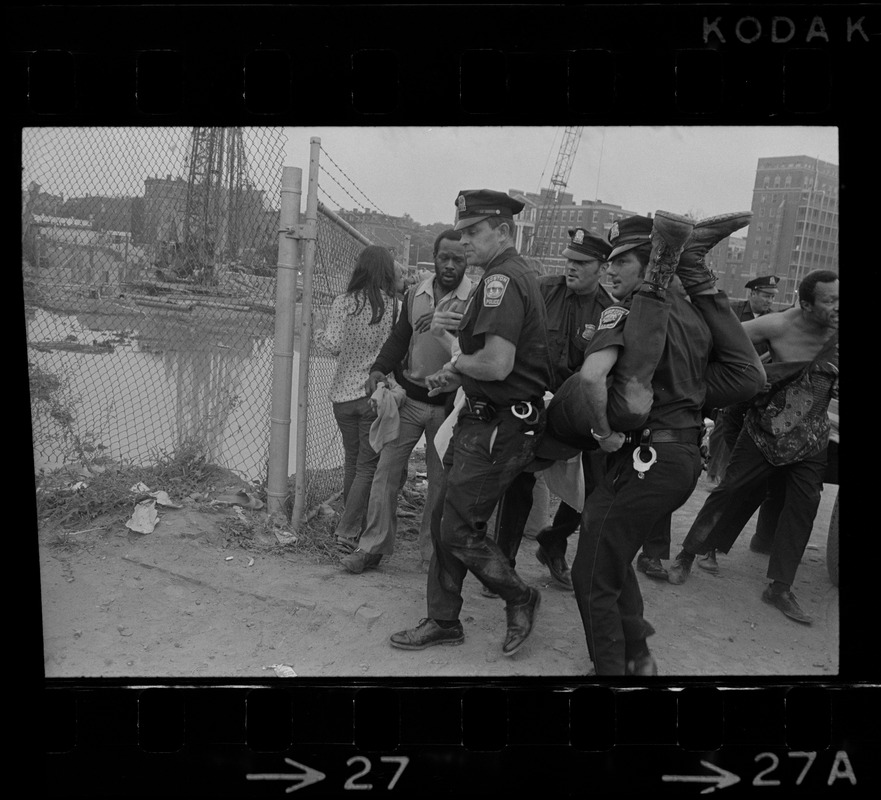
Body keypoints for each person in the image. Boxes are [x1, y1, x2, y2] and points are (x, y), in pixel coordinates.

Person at [556, 210, 765, 675]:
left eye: (622, 261)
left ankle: (614, 673)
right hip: (679, 455)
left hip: (646, 457)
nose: (610, 269)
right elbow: (749, 378)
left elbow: (596, 380)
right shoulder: (691, 316)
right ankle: (637, 655)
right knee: (610, 555)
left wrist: (606, 433)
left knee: (590, 573)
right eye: (609, 261)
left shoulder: (627, 310)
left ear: (651, 264)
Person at [389, 189, 550, 656]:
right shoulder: (499, 277)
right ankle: (443, 620)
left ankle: (519, 596)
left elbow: (498, 364)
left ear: (503, 231)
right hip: (480, 419)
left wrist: (457, 363)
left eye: (475, 233)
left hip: (499, 426)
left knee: (458, 529)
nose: (465, 244)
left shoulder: (502, 280)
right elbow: (485, 357)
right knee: (443, 518)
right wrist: (455, 367)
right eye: (462, 233)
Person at [666, 270, 839, 626]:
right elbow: (718, 348)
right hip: (765, 431)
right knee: (729, 490)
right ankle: (687, 554)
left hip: (812, 436)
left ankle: (780, 586)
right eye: (830, 301)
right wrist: (753, 375)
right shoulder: (774, 327)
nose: (839, 307)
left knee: (805, 503)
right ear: (806, 305)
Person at [339, 230, 474, 574]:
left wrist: (447, 329)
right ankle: (371, 548)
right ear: (435, 256)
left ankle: (432, 556)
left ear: (466, 261)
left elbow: (477, 353)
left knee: (440, 481)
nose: (449, 265)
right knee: (385, 471)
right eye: (444, 257)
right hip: (410, 402)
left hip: (448, 409)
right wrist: (379, 369)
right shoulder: (417, 293)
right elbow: (400, 339)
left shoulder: (476, 298)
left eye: (458, 259)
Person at [492, 227, 615, 590]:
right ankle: (503, 563)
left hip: (576, 410)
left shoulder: (609, 312)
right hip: (531, 401)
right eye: (568, 260)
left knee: (592, 488)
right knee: (519, 480)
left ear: (601, 267)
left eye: (581, 263)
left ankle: (554, 542)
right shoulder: (543, 290)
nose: (571, 268)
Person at [313, 245, 405, 556]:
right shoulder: (394, 308)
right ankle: (349, 530)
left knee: (352, 461)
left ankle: (349, 521)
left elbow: (333, 345)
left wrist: (316, 330)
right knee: (368, 466)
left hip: (342, 396)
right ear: (386, 272)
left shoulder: (343, 303)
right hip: (373, 396)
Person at [701, 274, 783, 572]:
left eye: (772, 296)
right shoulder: (735, 313)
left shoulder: (778, 323)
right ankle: (717, 474)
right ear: (752, 294)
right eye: (764, 295)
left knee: (746, 475)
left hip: (762, 398)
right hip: (733, 388)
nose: (768, 300)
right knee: (724, 433)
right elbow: (718, 344)